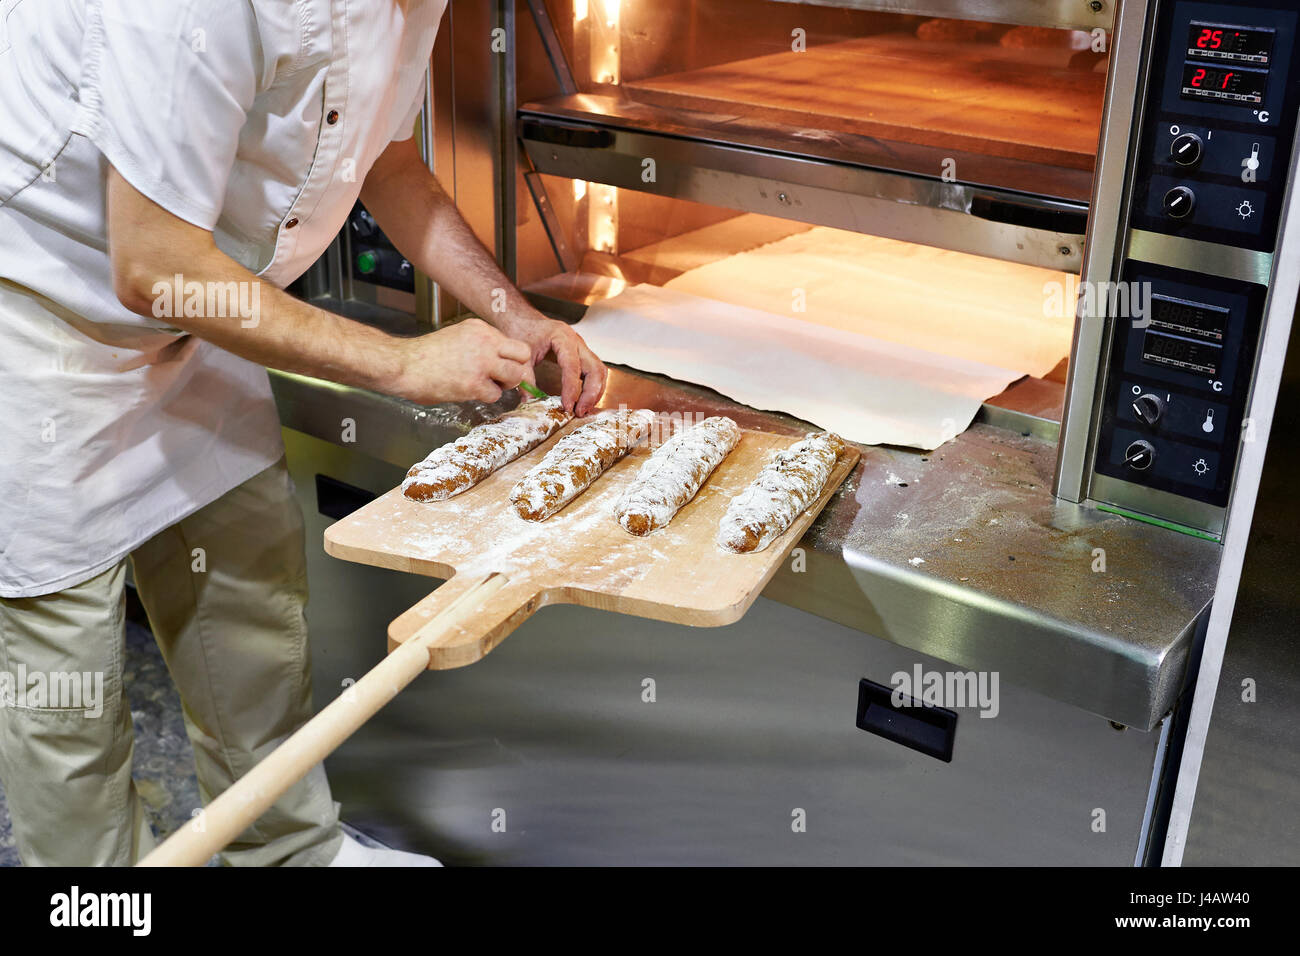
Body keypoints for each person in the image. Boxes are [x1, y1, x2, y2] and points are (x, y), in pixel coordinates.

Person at [0, 0, 606, 866]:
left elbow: (388, 163)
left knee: (250, 619)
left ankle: (291, 853)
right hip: (39, 313)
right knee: (65, 703)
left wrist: (518, 314)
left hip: (207, 303)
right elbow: (154, 267)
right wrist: (399, 365)